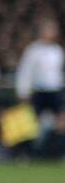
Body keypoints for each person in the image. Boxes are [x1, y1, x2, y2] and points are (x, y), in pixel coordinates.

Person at [14, 17, 63, 156]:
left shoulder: (57, 50)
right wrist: (23, 91)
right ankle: (30, 153)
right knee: (31, 125)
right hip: (39, 91)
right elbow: (25, 71)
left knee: (60, 123)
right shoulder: (33, 50)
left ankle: (56, 152)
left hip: (55, 90)